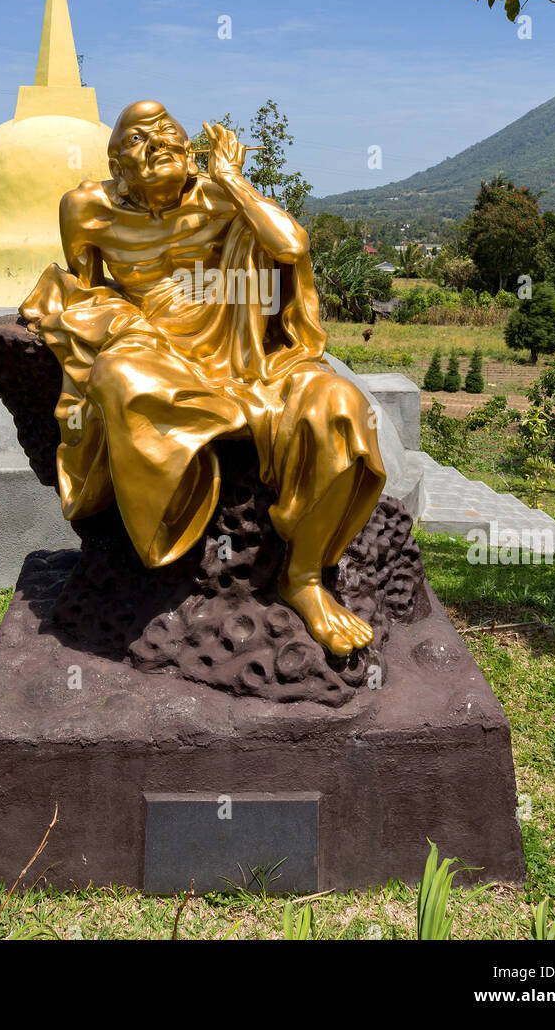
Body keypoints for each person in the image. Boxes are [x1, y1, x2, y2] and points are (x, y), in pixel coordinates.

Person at [21, 99, 386, 655]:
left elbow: (290, 248)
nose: (158, 142)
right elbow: (88, 287)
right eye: (139, 138)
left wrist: (235, 181)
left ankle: (304, 579)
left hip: (247, 363)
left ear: (192, 152)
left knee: (339, 405)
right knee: (119, 375)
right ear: (117, 164)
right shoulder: (87, 208)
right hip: (156, 355)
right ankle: (163, 548)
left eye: (168, 132)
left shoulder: (220, 198)